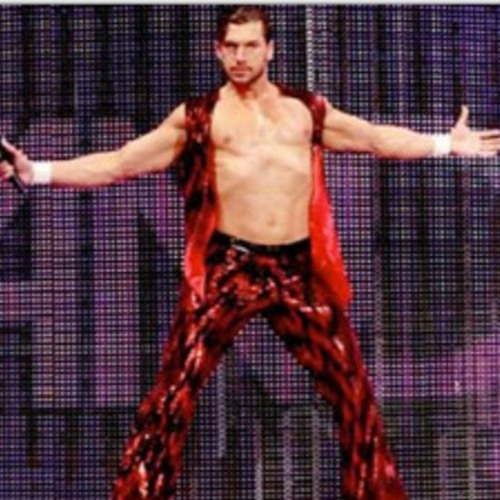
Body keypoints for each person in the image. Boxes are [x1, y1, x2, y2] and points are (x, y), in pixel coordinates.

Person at [1, 6, 499, 500]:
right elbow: (120, 163)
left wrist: (445, 145)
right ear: (218, 51)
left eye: (251, 46)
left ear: (269, 50)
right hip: (228, 268)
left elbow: (374, 139)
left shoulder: (304, 111)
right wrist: (37, 172)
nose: (241, 57)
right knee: (173, 393)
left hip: (297, 269)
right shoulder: (199, 117)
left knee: (353, 393)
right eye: (232, 47)